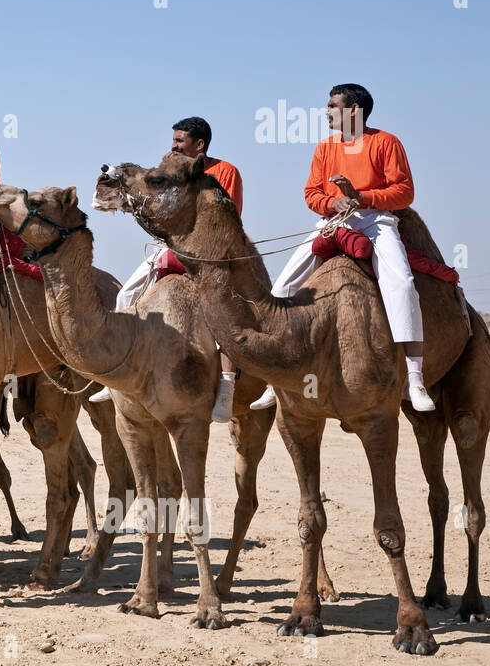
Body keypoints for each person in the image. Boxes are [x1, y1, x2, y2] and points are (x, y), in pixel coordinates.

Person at [250, 83, 435, 412]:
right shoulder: (324, 148)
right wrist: (335, 203)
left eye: (332, 106)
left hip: (375, 221)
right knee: (280, 289)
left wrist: (362, 197)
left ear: (353, 111)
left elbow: (405, 192)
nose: (326, 112)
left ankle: (415, 378)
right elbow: (311, 194)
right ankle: (274, 380)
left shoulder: (386, 142)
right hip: (335, 221)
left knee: (403, 284)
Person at [90, 117, 244, 421]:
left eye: (179, 142)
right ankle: (118, 372)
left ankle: (226, 387)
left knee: (223, 312)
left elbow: (229, 215)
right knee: (125, 298)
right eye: (172, 141)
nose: (172, 147)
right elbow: (153, 199)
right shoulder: (169, 169)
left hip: (211, 248)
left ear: (198, 145)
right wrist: (118, 187)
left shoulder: (225, 171)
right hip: (171, 245)